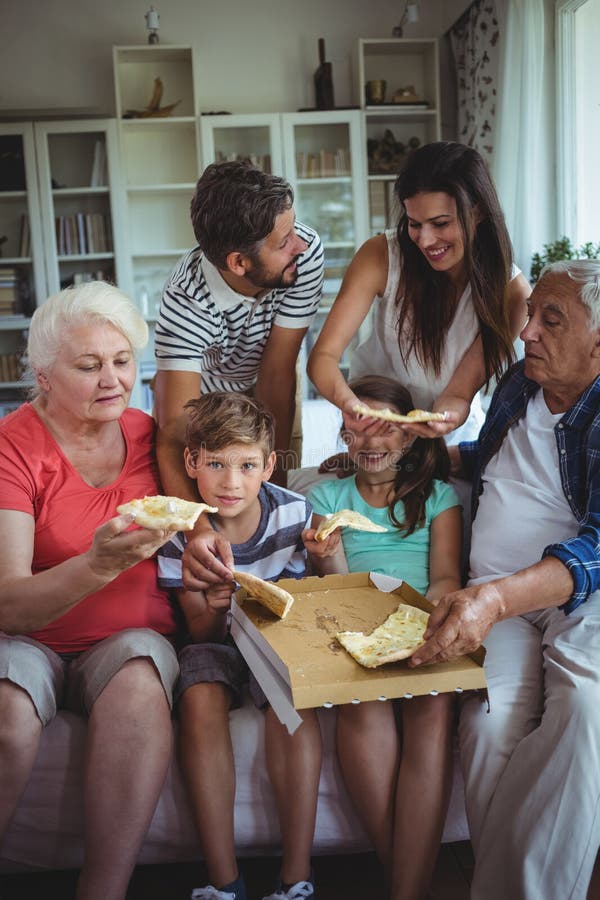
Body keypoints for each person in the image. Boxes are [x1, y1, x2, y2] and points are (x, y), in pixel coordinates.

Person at [409, 260, 600, 899]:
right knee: (488, 728)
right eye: (530, 314)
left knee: (586, 706)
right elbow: (490, 457)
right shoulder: (523, 381)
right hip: (494, 596)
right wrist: (407, 458)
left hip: (577, 597)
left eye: (552, 319)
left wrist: (494, 598)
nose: (527, 333)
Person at [0, 282, 179, 900]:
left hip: (129, 640)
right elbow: (8, 601)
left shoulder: (151, 432)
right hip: (33, 638)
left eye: (123, 360)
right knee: (7, 711)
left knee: (138, 676)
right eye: (89, 365)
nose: (113, 379)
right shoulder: (13, 447)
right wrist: (98, 566)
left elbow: (212, 510)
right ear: (44, 376)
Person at [156, 392, 340, 900]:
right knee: (198, 696)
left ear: (269, 466)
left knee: (293, 701)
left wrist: (328, 558)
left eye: (246, 465)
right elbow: (200, 635)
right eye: (215, 463)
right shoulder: (179, 531)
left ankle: (295, 877)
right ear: (191, 462)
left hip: (275, 640)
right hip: (212, 641)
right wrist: (213, 605)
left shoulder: (294, 513)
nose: (230, 481)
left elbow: (318, 597)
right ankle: (223, 880)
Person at [306, 374, 461, 900]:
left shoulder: (440, 497)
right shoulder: (327, 495)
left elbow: (444, 579)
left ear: (409, 437)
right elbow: (334, 585)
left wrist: (421, 625)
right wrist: (322, 552)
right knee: (363, 707)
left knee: (433, 708)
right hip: (357, 629)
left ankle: (403, 885)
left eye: (386, 429)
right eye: (359, 427)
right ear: (346, 435)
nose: (372, 441)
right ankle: (407, 880)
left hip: (420, 626)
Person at [307, 140, 531, 448]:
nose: (425, 240)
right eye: (414, 224)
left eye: (440, 223)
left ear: (477, 211)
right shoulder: (380, 255)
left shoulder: (512, 295)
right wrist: (351, 404)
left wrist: (445, 416)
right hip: (372, 433)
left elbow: (458, 394)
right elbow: (323, 357)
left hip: (451, 440)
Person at [154, 159, 324, 492]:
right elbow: (174, 432)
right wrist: (198, 527)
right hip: (206, 392)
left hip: (273, 368)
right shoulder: (186, 300)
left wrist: (274, 492)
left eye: (293, 228)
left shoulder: (304, 253)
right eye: (283, 241)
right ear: (239, 263)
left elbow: (277, 371)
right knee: (220, 481)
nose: (299, 245)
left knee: (273, 475)